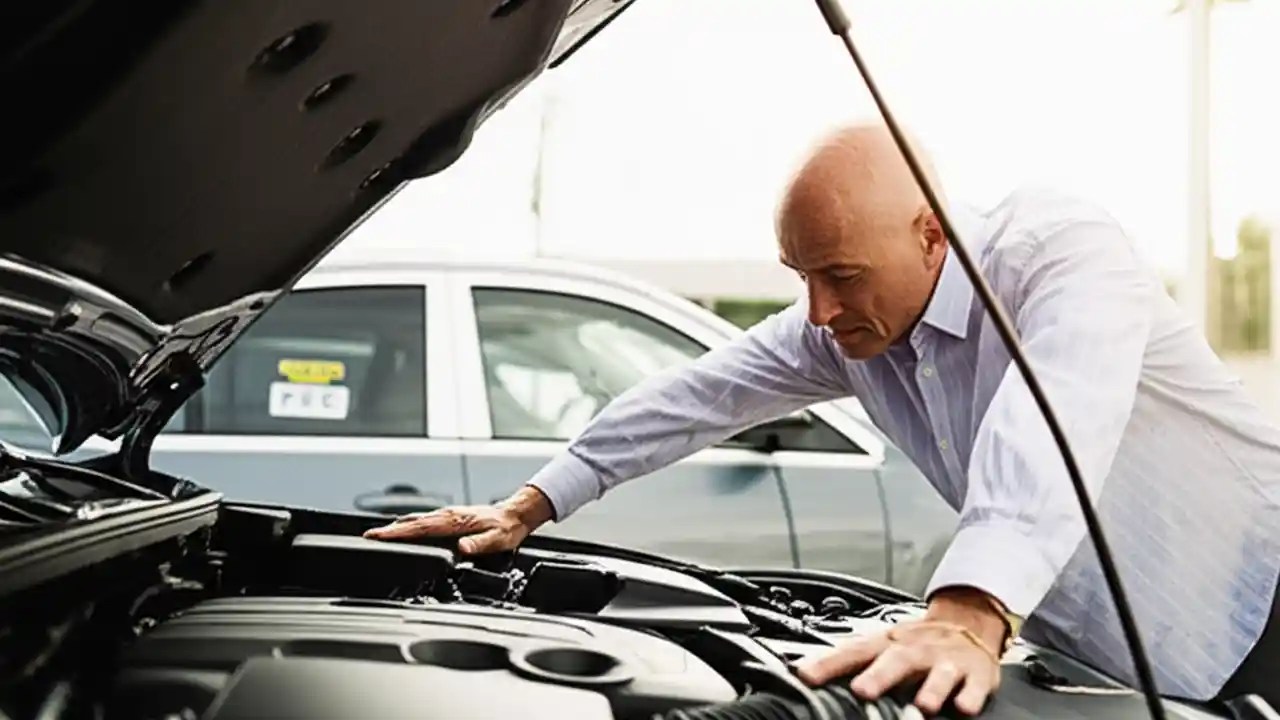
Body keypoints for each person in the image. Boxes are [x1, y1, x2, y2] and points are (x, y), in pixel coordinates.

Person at [365, 121, 1280, 715]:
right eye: (801, 276)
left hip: (1261, 611)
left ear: (933, 233)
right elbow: (697, 394)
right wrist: (532, 503)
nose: (818, 310)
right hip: (1117, 670)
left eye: (840, 274)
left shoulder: (1058, 252)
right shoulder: (845, 328)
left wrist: (967, 608)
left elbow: (1054, 418)